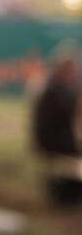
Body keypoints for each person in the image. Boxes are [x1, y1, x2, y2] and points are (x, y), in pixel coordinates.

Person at [32, 48, 82, 206]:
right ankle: (65, 190)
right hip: (53, 141)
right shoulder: (54, 90)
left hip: (58, 139)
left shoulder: (57, 88)